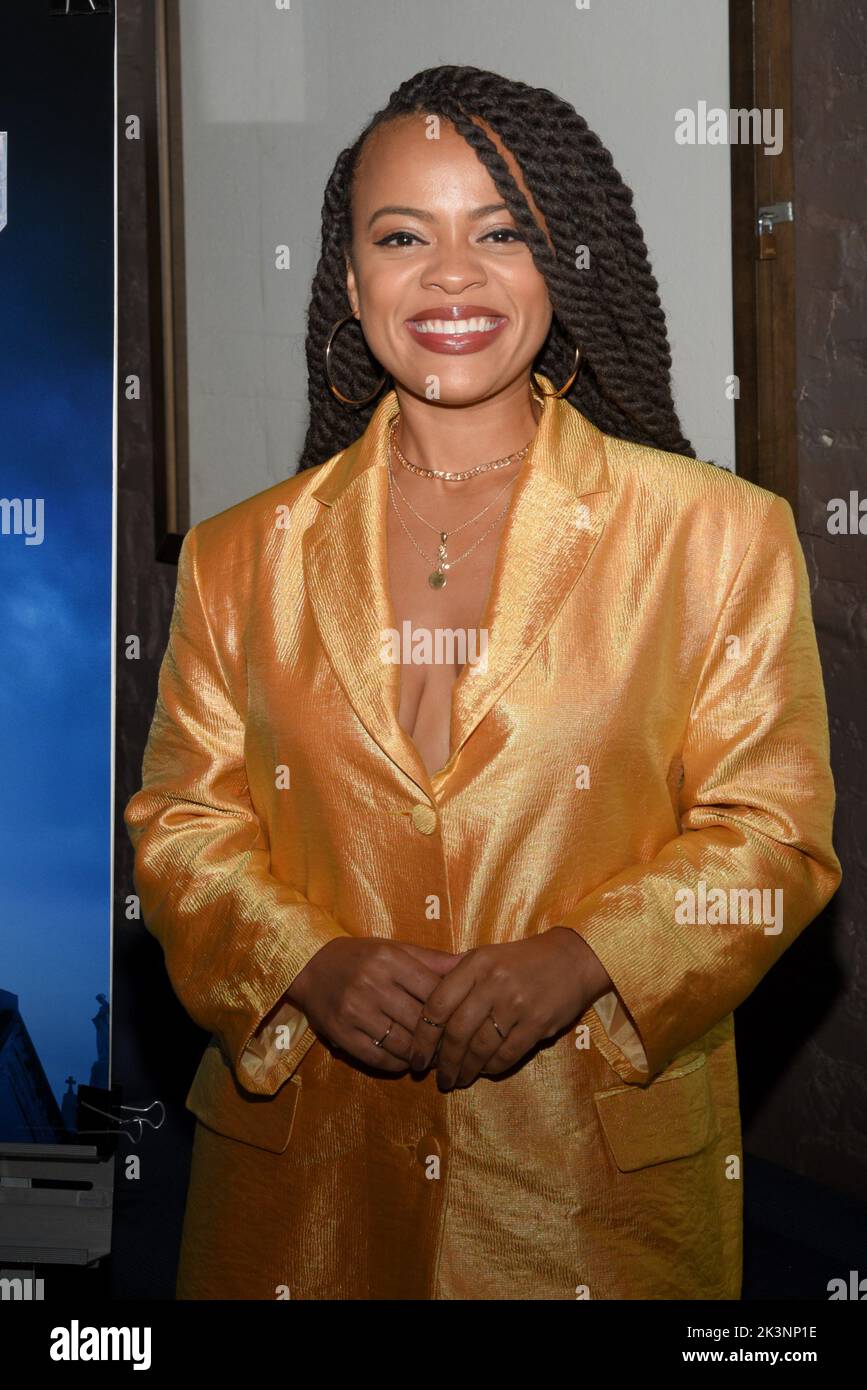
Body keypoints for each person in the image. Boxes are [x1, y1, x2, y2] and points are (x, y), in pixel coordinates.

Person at [124, 65, 841, 1301]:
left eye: (500, 232)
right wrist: (304, 961)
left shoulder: (717, 535)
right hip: (303, 1197)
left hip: (589, 1204)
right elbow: (181, 830)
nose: (451, 275)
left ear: (561, 265)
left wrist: (586, 956)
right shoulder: (243, 553)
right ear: (352, 282)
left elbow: (776, 844)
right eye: (404, 236)